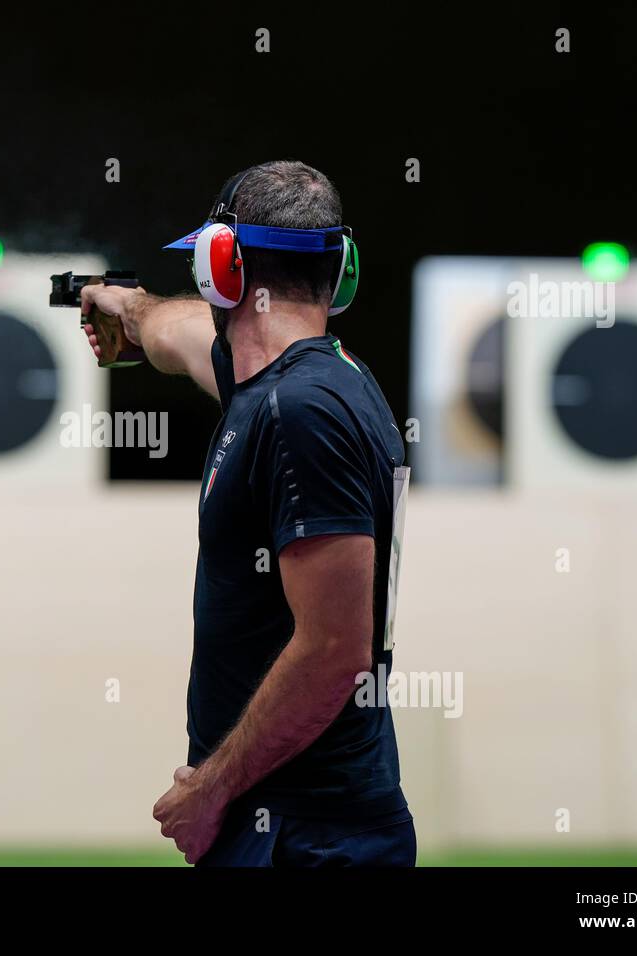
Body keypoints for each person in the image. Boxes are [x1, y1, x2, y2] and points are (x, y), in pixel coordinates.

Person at [80, 160, 414, 866]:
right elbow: (179, 335)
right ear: (341, 268)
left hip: (305, 835)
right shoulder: (288, 385)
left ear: (221, 263)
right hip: (293, 823)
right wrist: (126, 308)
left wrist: (210, 788)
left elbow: (334, 651)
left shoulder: (300, 414)